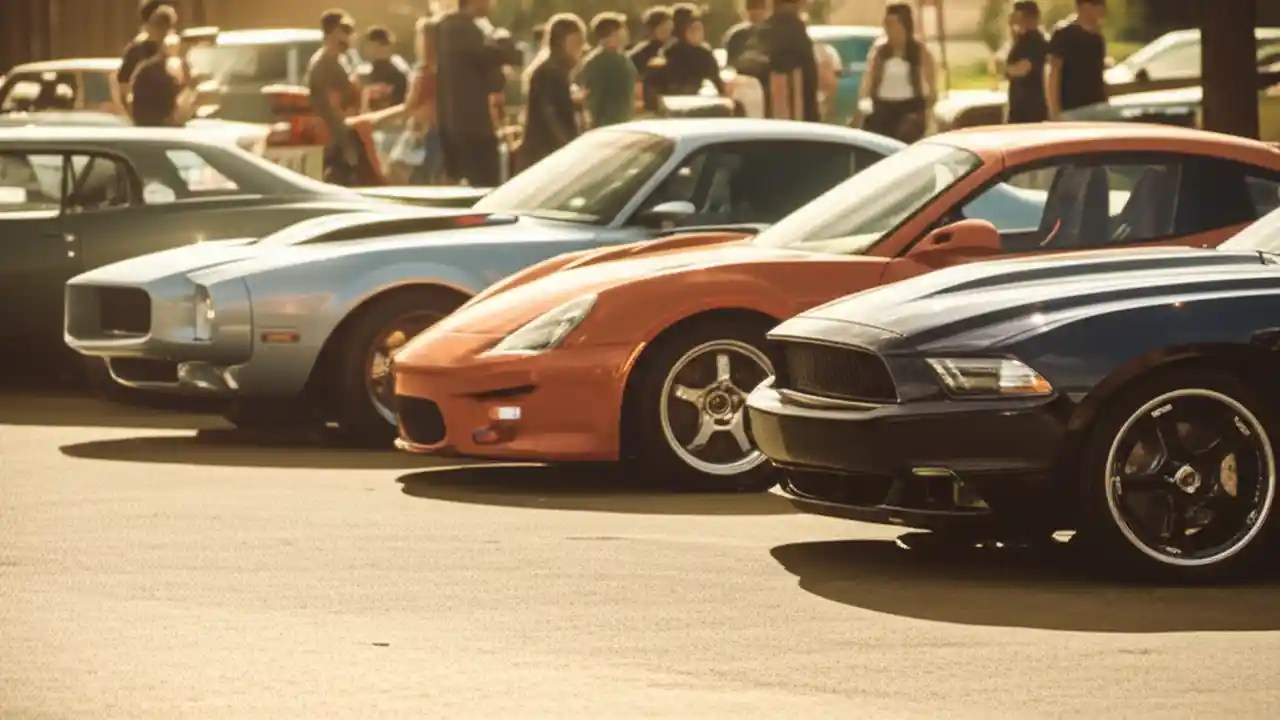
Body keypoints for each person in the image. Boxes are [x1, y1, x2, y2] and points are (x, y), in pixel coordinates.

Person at [437, 0, 515, 187]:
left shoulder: (447, 28)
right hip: (474, 124)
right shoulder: (465, 30)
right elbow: (497, 64)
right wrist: (501, 39)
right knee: (485, 187)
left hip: (456, 124)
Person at [518, 14, 586, 172]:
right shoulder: (551, 72)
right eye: (576, 41)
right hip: (547, 153)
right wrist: (568, 146)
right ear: (562, 41)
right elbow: (551, 114)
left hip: (545, 152)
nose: (580, 47)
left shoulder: (555, 71)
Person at [860, 2, 936, 142]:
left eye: (891, 24)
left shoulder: (919, 51)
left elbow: (931, 87)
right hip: (883, 108)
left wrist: (927, 113)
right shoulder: (880, 51)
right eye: (886, 24)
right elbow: (868, 81)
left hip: (909, 108)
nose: (887, 28)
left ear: (904, 25)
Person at [306, 8, 360, 185]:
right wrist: (347, 146)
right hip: (333, 141)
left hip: (342, 136)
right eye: (343, 31)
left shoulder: (339, 60)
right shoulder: (325, 65)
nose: (348, 37)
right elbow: (333, 109)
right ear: (331, 32)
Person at [390, 16, 444, 185]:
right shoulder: (445, 69)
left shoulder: (424, 73)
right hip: (436, 132)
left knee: (398, 169)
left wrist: (374, 119)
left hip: (425, 134)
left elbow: (409, 107)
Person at [757, 0, 819, 121]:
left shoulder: (763, 31)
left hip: (767, 116)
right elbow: (808, 78)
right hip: (795, 115)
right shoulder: (795, 31)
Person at [1047, 0, 1108, 120]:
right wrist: (1054, 111)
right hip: (1071, 109)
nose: (1103, 10)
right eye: (1100, 5)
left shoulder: (1097, 38)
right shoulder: (1064, 34)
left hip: (1097, 107)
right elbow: (1053, 73)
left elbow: (1098, 75)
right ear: (1085, 6)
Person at [114, 0, 176, 117]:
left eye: (167, 24)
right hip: (145, 119)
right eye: (159, 23)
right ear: (148, 24)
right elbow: (123, 87)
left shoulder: (176, 52)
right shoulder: (136, 52)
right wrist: (132, 115)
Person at [653, 4, 725, 98]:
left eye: (700, 29)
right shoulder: (667, 54)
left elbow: (718, 84)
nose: (700, 33)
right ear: (681, 31)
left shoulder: (704, 54)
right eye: (693, 29)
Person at [579, 13, 637, 128]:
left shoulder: (619, 58)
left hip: (622, 124)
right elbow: (592, 98)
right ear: (614, 33)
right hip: (608, 126)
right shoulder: (600, 62)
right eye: (623, 29)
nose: (626, 33)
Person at [1005, 1, 1049, 123]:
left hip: (1031, 108)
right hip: (1019, 108)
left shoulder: (1035, 41)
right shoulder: (1020, 40)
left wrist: (1007, 70)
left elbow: (1023, 68)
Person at [629, 6, 673, 112]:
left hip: (673, 102)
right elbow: (636, 80)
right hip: (651, 106)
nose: (667, 31)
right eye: (663, 27)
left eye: (669, 27)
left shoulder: (675, 50)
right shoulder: (641, 53)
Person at [360, 26, 411, 111]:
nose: (379, 49)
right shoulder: (362, 74)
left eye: (383, 44)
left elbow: (402, 105)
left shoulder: (398, 76)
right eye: (375, 46)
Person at [722, 0, 770, 68]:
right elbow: (731, 64)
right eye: (752, 7)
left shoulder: (774, 33)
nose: (756, 12)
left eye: (759, 7)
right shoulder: (736, 34)